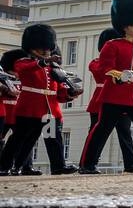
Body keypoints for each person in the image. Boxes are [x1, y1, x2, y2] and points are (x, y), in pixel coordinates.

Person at [78, 0, 133, 174]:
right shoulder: (112, 45)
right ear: (124, 26)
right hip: (115, 95)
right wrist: (120, 75)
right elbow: (105, 69)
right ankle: (88, 164)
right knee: (101, 131)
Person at [0, 24, 79, 175]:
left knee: (54, 139)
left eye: (48, 48)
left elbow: (57, 89)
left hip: (51, 110)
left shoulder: (52, 68)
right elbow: (26, 69)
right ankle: (5, 166)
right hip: (30, 109)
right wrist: (44, 61)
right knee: (20, 140)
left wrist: (70, 93)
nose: (46, 51)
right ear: (31, 48)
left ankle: (58, 165)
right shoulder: (23, 62)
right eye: (41, 48)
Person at [84, 27, 133, 172]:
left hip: (122, 99)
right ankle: (88, 163)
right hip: (101, 100)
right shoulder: (96, 62)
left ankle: (131, 164)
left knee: (125, 134)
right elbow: (102, 70)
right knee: (96, 134)